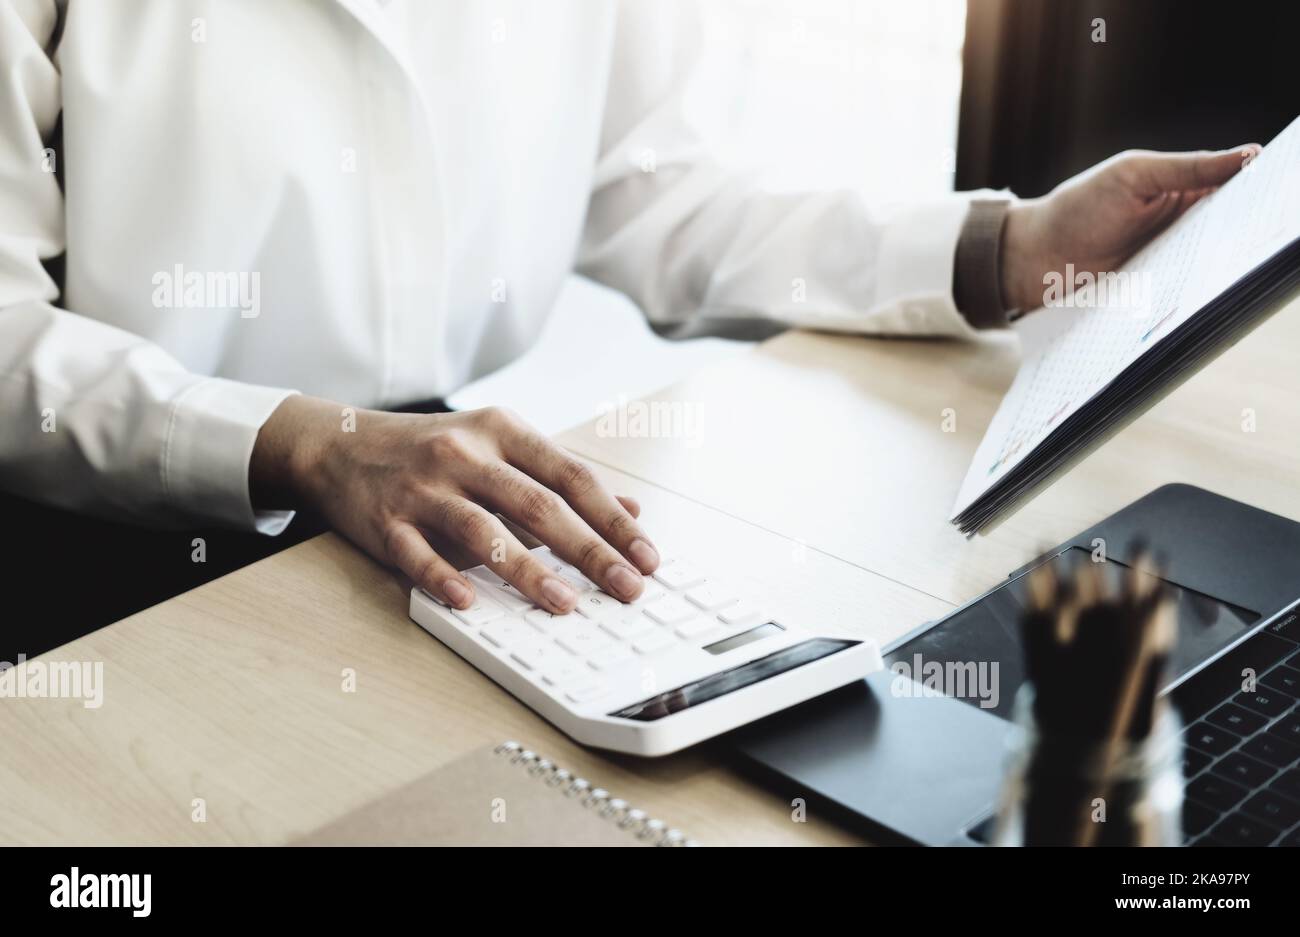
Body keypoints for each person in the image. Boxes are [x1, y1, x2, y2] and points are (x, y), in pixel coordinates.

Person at [0, 1, 1254, 636]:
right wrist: (307, 441)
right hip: (104, 529)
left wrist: (1002, 245)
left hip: (434, 497)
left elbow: (655, 188)